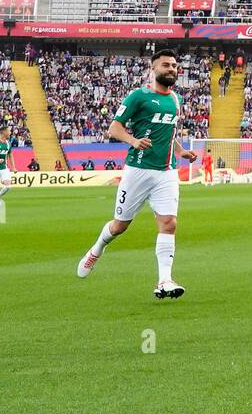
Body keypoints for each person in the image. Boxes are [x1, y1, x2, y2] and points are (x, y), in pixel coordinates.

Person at [76, 49, 198, 299]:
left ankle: (165, 280)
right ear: (153, 69)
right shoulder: (138, 96)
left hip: (166, 173)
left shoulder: (175, 99)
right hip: (138, 172)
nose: (172, 69)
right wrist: (133, 141)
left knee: (169, 223)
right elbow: (114, 128)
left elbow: (169, 132)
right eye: (166, 65)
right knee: (120, 226)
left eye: (175, 65)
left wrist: (181, 151)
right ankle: (96, 250)